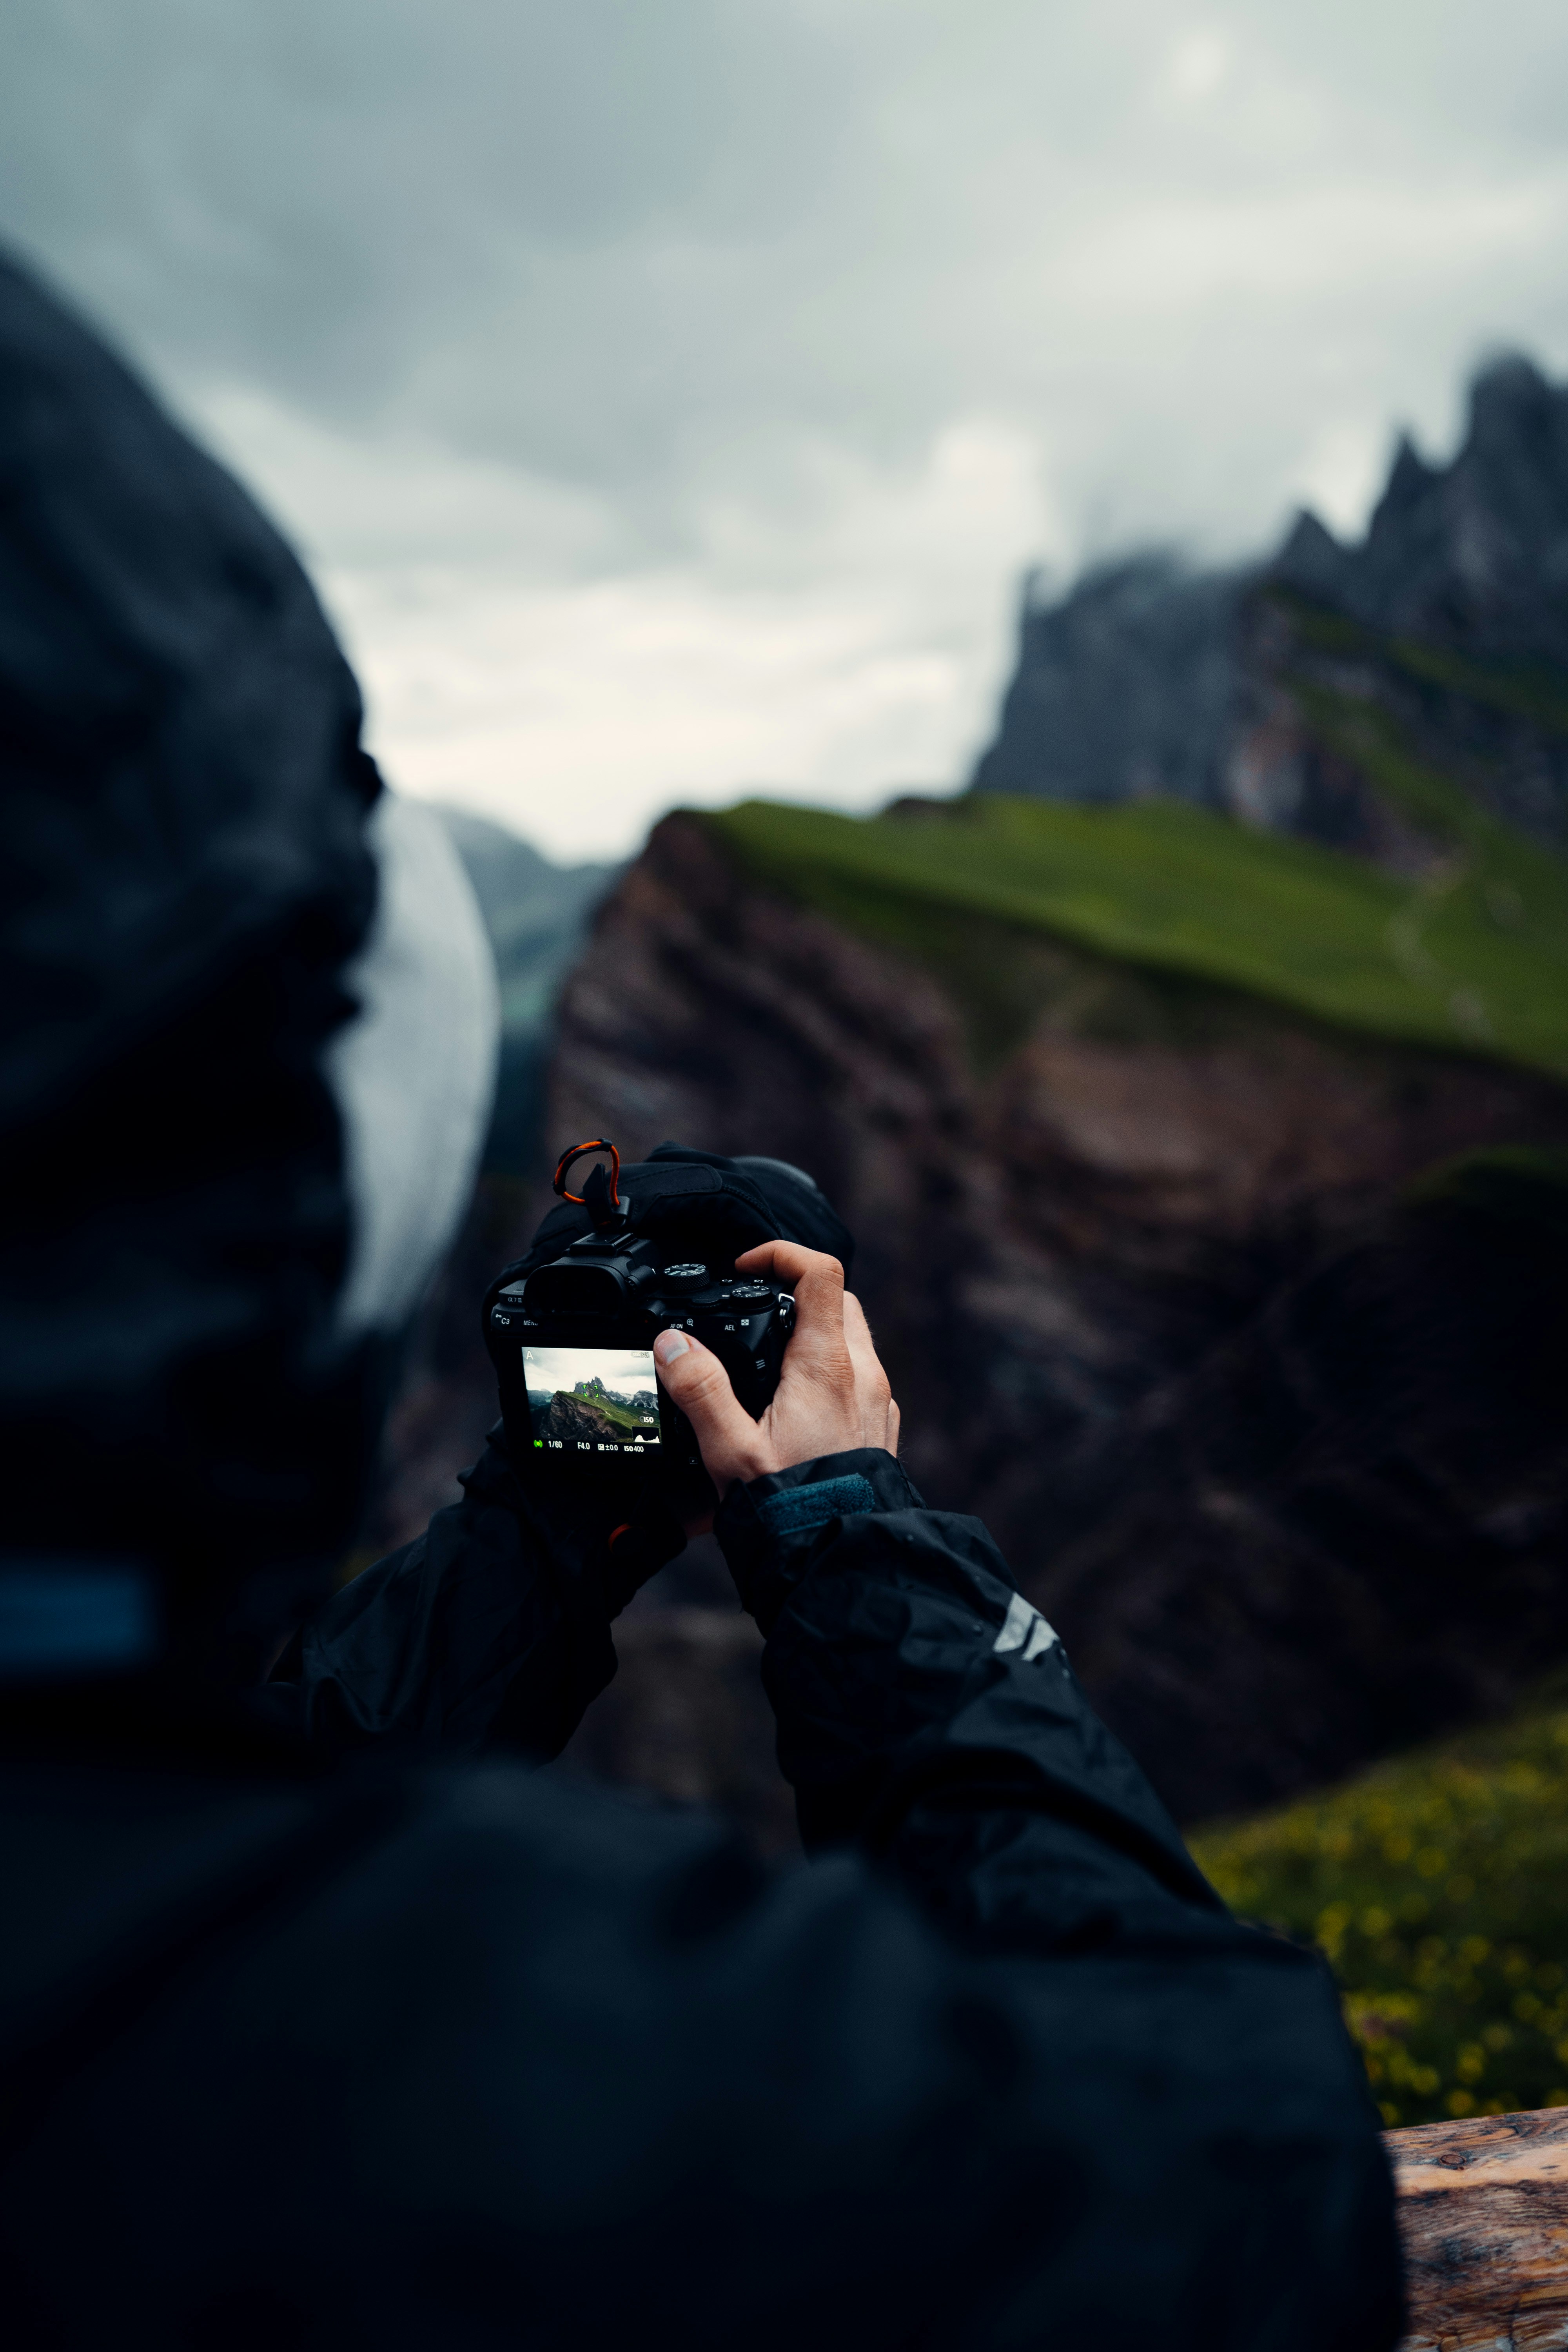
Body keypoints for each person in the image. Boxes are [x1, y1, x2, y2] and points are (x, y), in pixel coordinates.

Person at [0, 249, 1402, 2350]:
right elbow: (1236, 2163)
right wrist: (852, 1550)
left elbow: (164, 1799)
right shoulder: (498, 2107)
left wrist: (545, 1538)